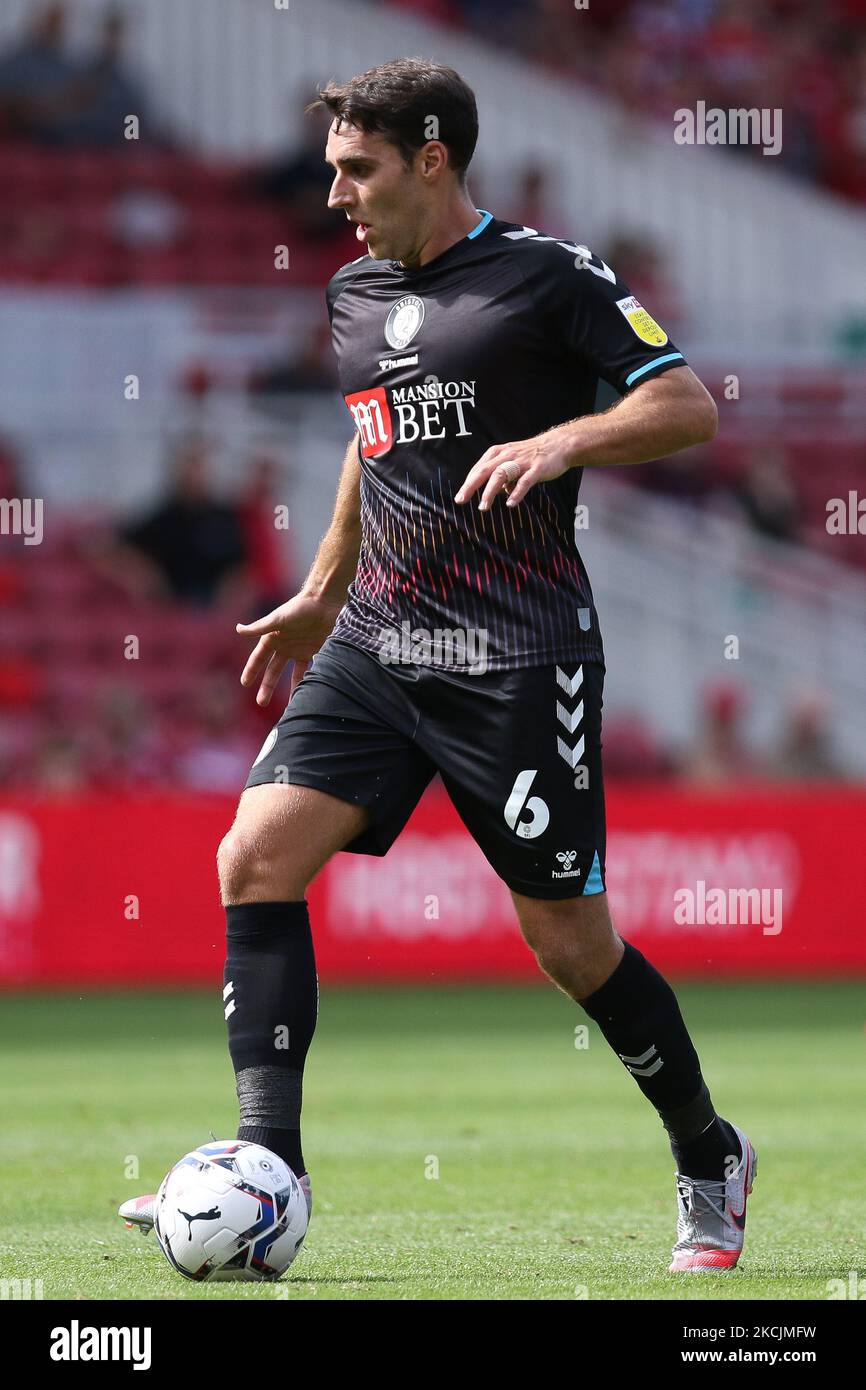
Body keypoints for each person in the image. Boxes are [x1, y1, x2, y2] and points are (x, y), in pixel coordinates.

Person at [120, 58, 756, 1274]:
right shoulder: (352, 293)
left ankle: (705, 1153)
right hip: (375, 642)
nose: (337, 196)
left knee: (568, 941)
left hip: (515, 653)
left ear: (430, 158)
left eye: (357, 170)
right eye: (330, 173)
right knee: (251, 858)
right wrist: (318, 590)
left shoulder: (548, 275)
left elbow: (684, 407)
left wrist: (565, 432)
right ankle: (268, 1173)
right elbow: (374, 441)